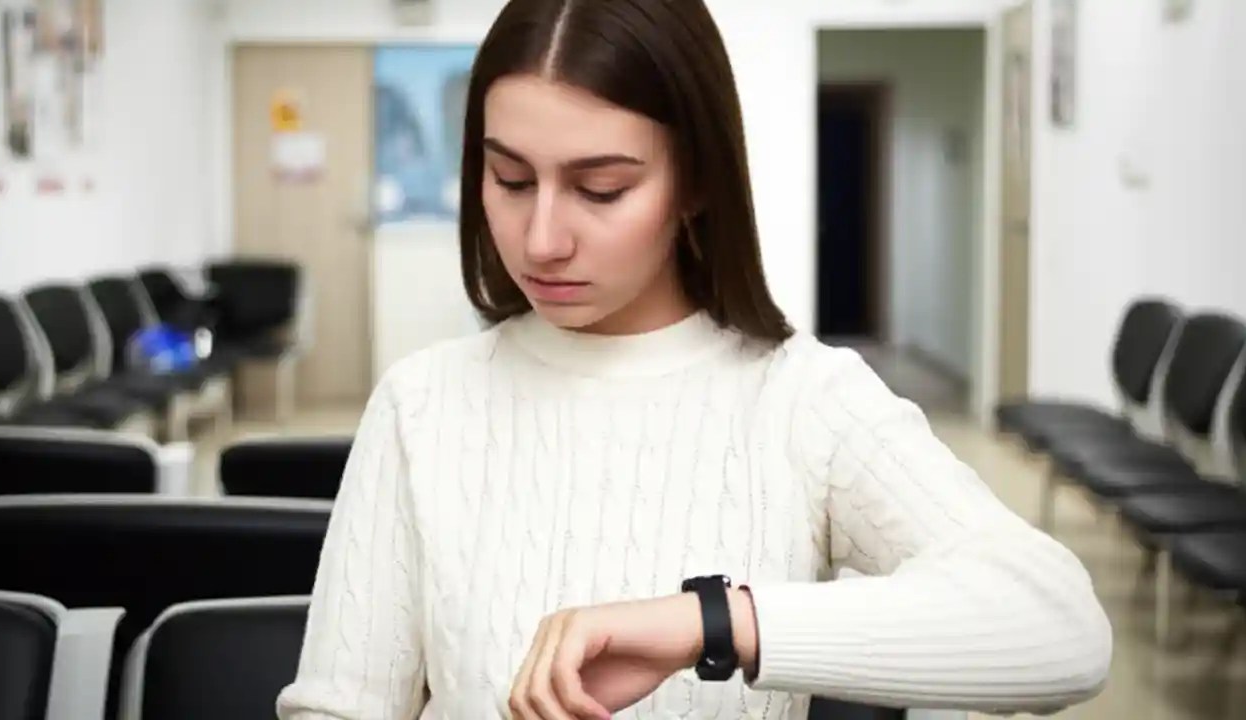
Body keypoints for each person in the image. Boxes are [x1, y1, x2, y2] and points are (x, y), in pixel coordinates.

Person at [276, 1, 1112, 718]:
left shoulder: (800, 399)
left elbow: (1063, 628)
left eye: (602, 189)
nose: (542, 239)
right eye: (510, 179)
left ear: (698, 183)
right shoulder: (423, 404)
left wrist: (711, 623)